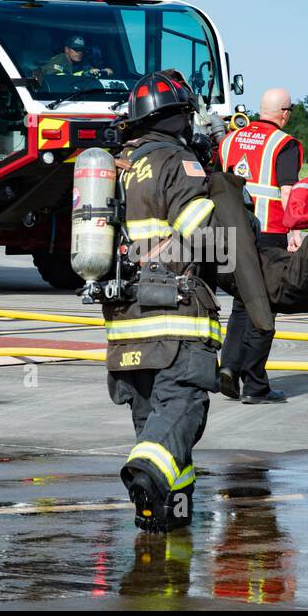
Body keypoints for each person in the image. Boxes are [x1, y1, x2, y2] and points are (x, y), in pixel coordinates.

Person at [105, 71, 220, 534]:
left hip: (124, 322)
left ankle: (163, 512)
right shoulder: (179, 161)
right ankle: (147, 474)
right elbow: (202, 234)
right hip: (174, 314)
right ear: (178, 118)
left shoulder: (118, 168)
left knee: (153, 417)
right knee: (183, 408)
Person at [216, 88, 303, 405]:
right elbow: (288, 191)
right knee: (264, 306)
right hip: (268, 234)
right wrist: (295, 230)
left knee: (243, 301)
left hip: (231, 233)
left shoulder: (230, 139)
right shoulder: (285, 144)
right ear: (285, 112)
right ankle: (255, 385)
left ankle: (228, 367)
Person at [43, 35, 112, 77]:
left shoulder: (83, 61)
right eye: (76, 49)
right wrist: (84, 74)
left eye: (82, 49)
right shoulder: (58, 60)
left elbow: (91, 71)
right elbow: (59, 78)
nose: (80, 52)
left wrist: (102, 71)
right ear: (67, 49)